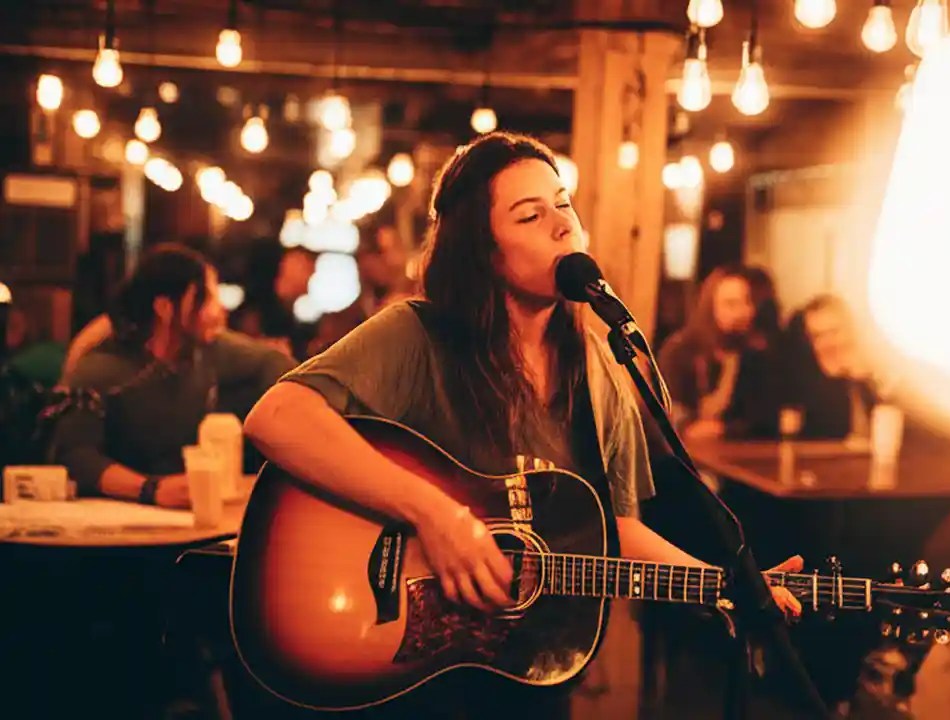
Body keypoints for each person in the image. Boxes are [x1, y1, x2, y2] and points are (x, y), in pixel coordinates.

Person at [242, 132, 802, 718]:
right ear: (483, 251)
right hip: (410, 672)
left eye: (563, 203)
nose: (562, 225)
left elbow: (610, 531)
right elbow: (277, 418)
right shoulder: (418, 336)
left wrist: (725, 585)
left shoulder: (597, 367)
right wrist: (435, 515)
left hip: (523, 667)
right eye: (530, 215)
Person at [47, 243, 295, 507]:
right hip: (116, 523)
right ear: (165, 307)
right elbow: (75, 456)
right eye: (205, 298)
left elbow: (274, 364)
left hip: (186, 515)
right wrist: (151, 489)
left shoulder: (206, 351)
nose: (219, 309)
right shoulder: (102, 368)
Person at [656, 266, 779, 440]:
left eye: (747, 302)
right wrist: (687, 426)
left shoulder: (757, 356)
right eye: (731, 304)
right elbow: (666, 410)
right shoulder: (679, 351)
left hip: (739, 455)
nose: (743, 312)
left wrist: (727, 429)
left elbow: (764, 420)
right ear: (710, 307)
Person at [781, 294, 879, 440]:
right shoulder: (803, 381)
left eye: (834, 332)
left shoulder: (879, 369)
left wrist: (865, 381)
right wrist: (833, 380)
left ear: (851, 329)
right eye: (818, 336)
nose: (827, 343)